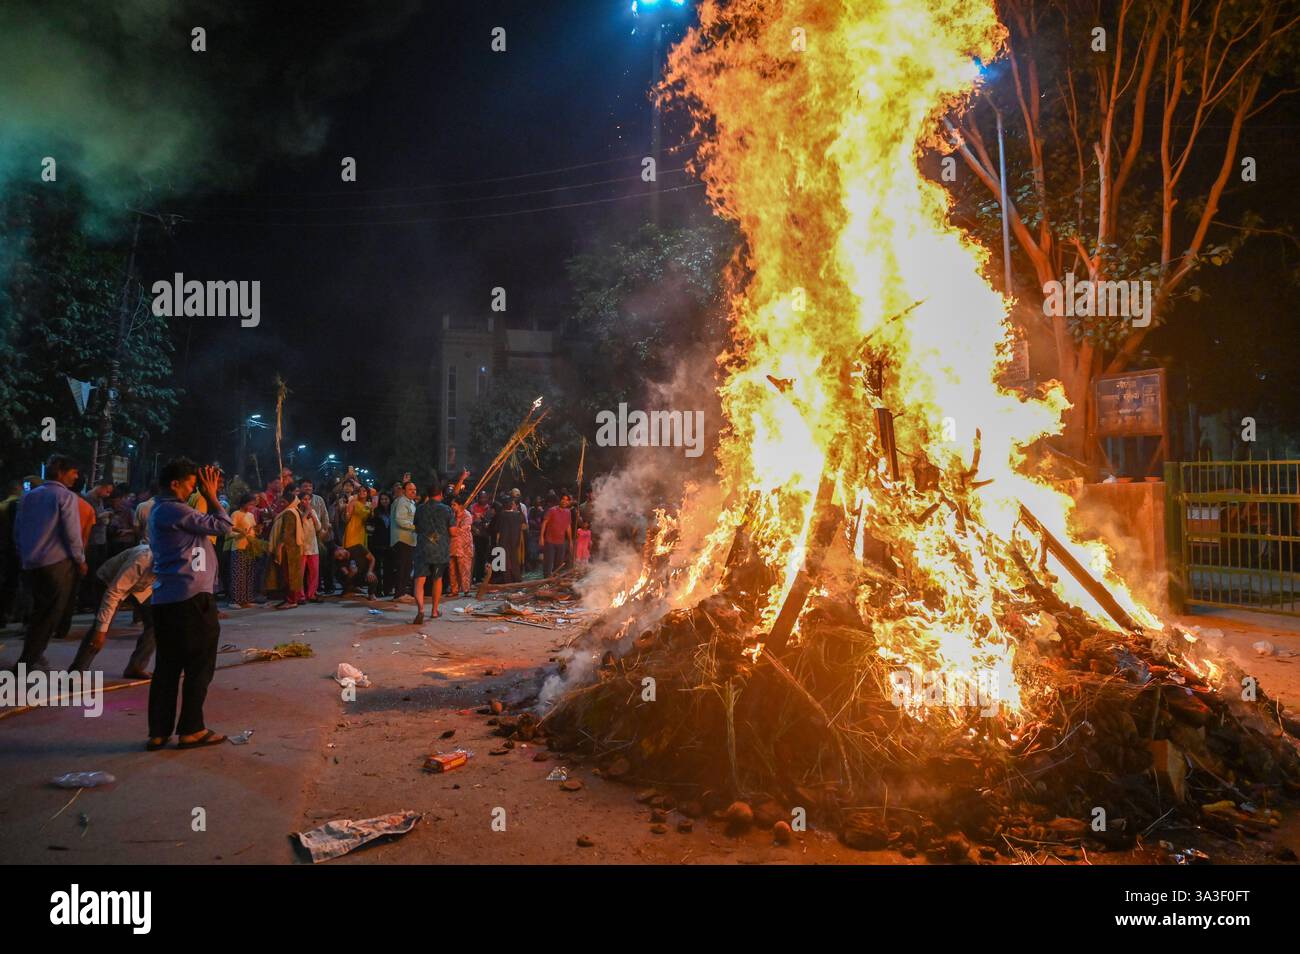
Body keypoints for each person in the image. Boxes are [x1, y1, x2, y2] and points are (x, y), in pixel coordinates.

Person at [146, 458, 232, 751]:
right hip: (191, 598)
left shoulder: (160, 510)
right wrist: (212, 496)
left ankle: (159, 732)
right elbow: (223, 525)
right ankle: (191, 729)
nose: (194, 490)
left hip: (167, 598)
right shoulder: (175, 509)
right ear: (175, 484)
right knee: (199, 665)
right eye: (191, 485)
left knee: (167, 667)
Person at [11, 455, 87, 669]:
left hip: (31, 562)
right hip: (57, 564)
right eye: (73, 471)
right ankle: (28, 661)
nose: (76, 476)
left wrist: (22, 552)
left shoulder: (29, 496)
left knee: (38, 613)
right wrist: (80, 560)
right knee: (49, 615)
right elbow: (72, 533)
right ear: (62, 472)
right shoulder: (65, 497)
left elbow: (18, 530)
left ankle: (35, 654)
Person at [68, 543, 156, 679]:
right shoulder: (144, 558)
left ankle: (136, 666)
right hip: (107, 582)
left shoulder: (173, 561)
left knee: (157, 622)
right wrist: (101, 630)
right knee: (100, 628)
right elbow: (114, 592)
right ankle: (75, 673)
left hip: (139, 587)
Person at [412, 484, 453, 624]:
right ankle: (434, 611)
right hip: (439, 550)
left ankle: (421, 610)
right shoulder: (447, 509)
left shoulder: (420, 509)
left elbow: (416, 528)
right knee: (437, 579)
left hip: (423, 548)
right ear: (440, 494)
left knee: (419, 580)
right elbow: (452, 531)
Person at [265, 487, 306, 609]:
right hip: (292, 548)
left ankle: (291, 600)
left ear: (290, 502)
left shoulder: (289, 513)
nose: (281, 504)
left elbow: (286, 532)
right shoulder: (293, 511)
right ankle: (290, 599)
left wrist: (279, 547)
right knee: (288, 575)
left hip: (288, 549)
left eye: (283, 502)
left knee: (290, 575)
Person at [227, 493, 259, 607]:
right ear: (244, 503)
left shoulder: (250, 515)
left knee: (248, 574)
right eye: (250, 504)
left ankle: (246, 599)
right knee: (238, 575)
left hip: (249, 547)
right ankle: (235, 600)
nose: (252, 507)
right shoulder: (236, 514)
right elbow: (229, 531)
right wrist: (240, 534)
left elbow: (253, 529)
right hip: (239, 547)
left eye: (253, 505)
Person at [0, 478, 23, 628]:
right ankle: (10, 613)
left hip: (3, 550)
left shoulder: (2, 506)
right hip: (16, 550)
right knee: (14, 584)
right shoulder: (21, 505)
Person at [390, 480, 418, 602]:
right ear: (404, 491)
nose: (413, 492)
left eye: (415, 490)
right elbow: (400, 520)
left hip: (410, 539)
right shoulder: (402, 502)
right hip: (402, 539)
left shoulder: (411, 502)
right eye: (411, 490)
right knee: (402, 567)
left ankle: (402, 592)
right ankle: (399, 594)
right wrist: (415, 526)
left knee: (407, 567)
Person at [490, 495, 526, 584]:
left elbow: (497, 528)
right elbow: (524, 526)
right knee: (514, 560)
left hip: (504, 541)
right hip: (515, 541)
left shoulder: (501, 515)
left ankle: (507, 580)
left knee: (504, 561)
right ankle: (517, 578)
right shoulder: (518, 515)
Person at [541, 493, 574, 578]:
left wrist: (570, 541)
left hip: (561, 542)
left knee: (558, 564)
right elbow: (544, 523)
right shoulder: (552, 510)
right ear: (560, 500)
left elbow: (568, 527)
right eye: (563, 499)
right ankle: (546, 581)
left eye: (567, 500)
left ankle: (555, 581)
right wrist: (541, 537)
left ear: (569, 502)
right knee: (548, 563)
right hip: (550, 541)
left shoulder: (568, 512)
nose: (565, 501)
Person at [448, 496, 474, 597]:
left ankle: (466, 590)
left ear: (460, 505)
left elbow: (461, 530)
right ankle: (454, 590)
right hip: (452, 545)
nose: (452, 507)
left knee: (464, 568)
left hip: (464, 546)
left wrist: (452, 530)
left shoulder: (467, 515)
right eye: (452, 505)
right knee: (452, 569)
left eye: (454, 505)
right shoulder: (451, 515)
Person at [370, 492, 393, 597]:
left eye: (386, 499)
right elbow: (371, 524)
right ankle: (378, 590)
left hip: (389, 542)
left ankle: (388, 589)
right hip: (378, 542)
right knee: (378, 568)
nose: (384, 501)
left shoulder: (393, 511)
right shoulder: (376, 511)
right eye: (382, 499)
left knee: (389, 567)